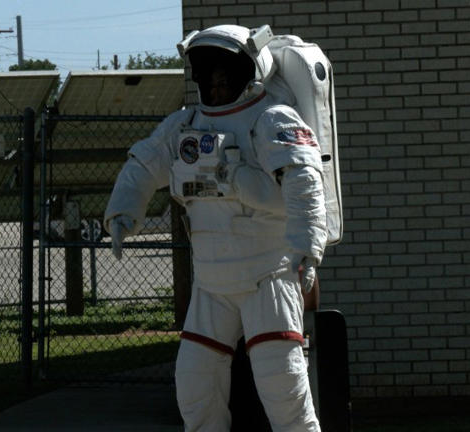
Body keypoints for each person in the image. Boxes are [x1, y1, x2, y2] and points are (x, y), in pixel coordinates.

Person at [104, 24, 326, 431]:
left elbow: (304, 181)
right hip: (211, 282)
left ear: (250, 73)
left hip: (268, 276)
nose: (218, 85)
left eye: (226, 76)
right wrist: (122, 212)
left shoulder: (272, 118)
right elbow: (144, 164)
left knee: (283, 387)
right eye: (210, 76)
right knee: (195, 385)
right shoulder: (185, 125)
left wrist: (307, 248)